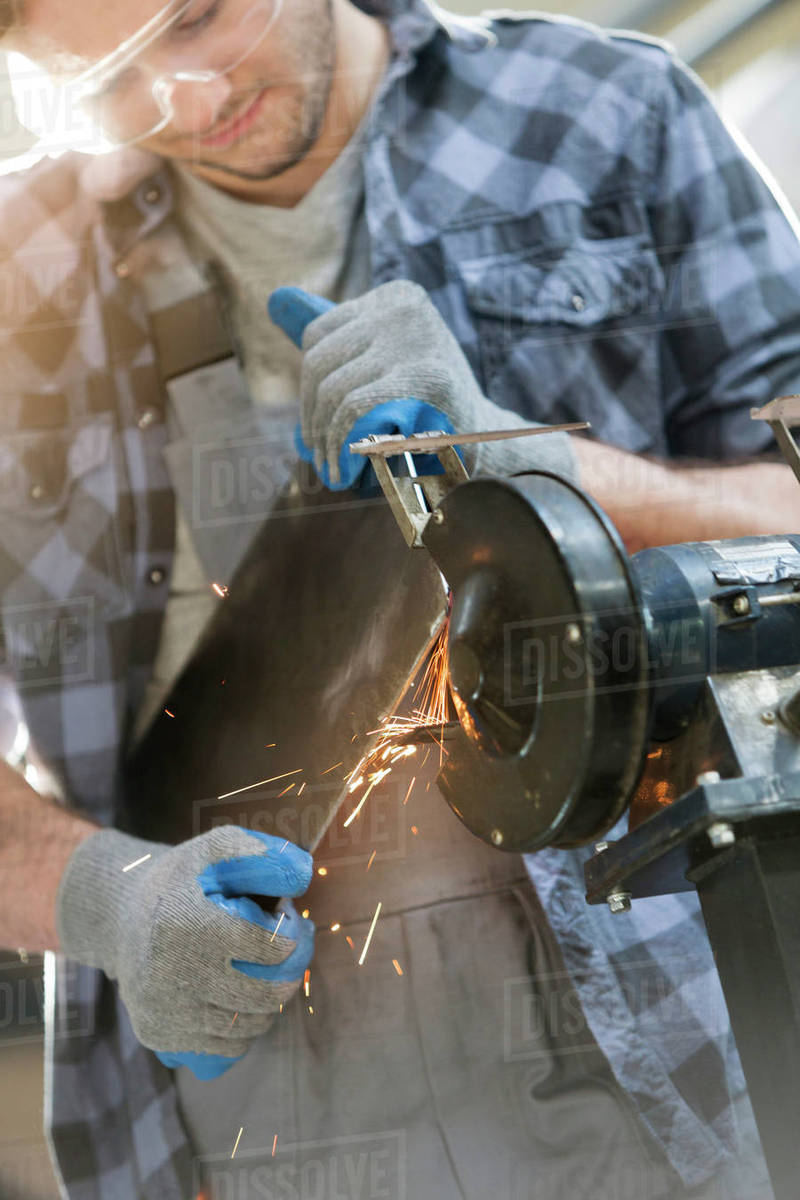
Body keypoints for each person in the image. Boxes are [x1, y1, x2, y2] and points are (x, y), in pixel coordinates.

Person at [0, 0, 799, 1195]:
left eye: (204, 16)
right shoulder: (19, 285)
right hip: (247, 1115)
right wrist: (99, 898)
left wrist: (541, 466)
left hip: (677, 1030)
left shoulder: (602, 117)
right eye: (114, 78)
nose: (195, 101)